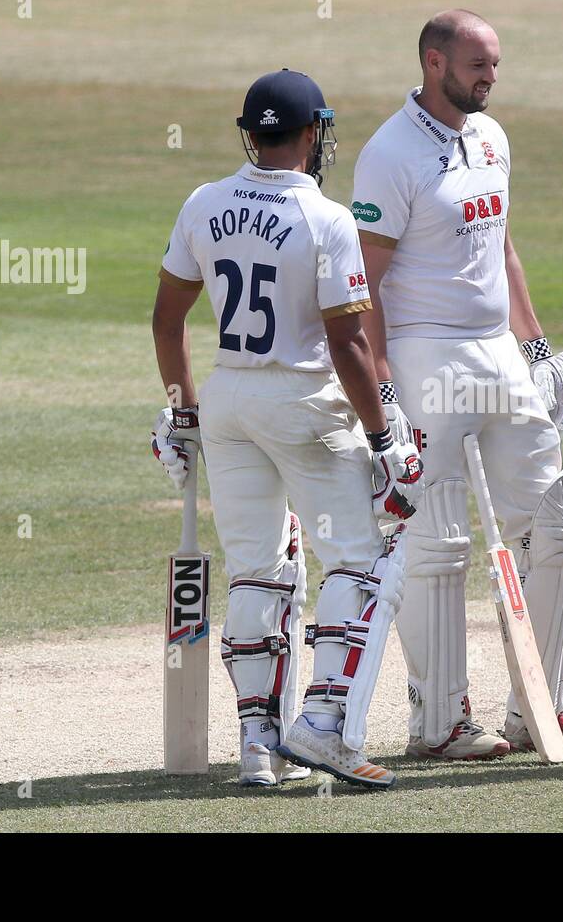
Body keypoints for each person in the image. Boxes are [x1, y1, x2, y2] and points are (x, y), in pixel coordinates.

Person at [352, 10, 563, 759]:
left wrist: (536, 348)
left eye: (496, 64)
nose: (491, 76)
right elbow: (363, 283)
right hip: (423, 355)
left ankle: (542, 710)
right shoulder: (389, 153)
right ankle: (438, 723)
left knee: (561, 528)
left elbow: (503, 249)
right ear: (434, 63)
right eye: (477, 64)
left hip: (497, 352)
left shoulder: (492, 139)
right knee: (435, 543)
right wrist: (383, 390)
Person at [150, 69, 423, 789]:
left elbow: (168, 318)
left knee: (258, 571)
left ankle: (257, 748)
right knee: (357, 564)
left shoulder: (203, 203)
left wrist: (182, 410)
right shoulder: (326, 219)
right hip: (304, 400)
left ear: (250, 134)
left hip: (229, 401)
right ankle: (324, 726)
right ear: (311, 135)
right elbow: (349, 346)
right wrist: (385, 439)